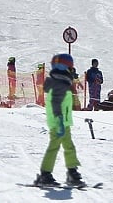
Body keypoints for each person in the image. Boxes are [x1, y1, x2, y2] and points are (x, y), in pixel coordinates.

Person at [35, 53, 83, 188]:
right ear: (64, 68)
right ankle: (45, 174)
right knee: (54, 146)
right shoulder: (58, 84)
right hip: (58, 122)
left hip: (63, 122)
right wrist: (60, 119)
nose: (72, 71)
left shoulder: (61, 82)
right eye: (71, 68)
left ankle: (72, 172)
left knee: (69, 146)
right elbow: (56, 103)